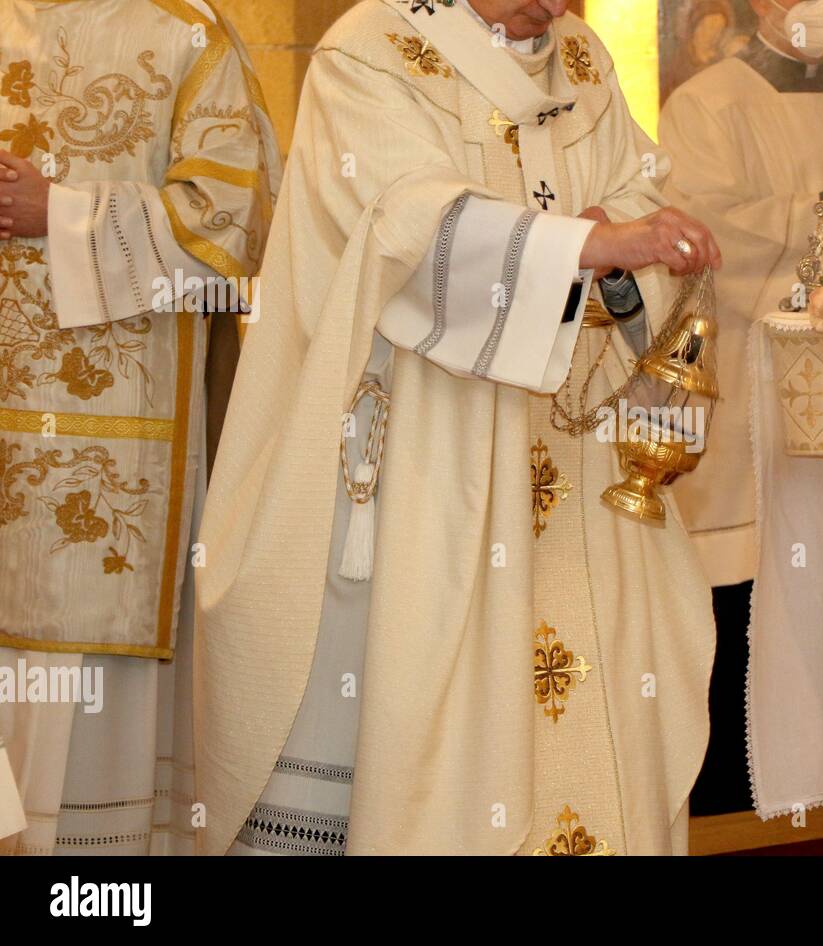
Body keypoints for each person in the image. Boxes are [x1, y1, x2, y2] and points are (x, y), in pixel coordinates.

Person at [195, 0, 722, 856]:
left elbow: (633, 200)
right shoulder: (369, 53)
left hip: (572, 450)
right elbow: (403, 224)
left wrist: (626, 260)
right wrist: (582, 247)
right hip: (428, 444)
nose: (559, 9)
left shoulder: (583, 60)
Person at [0, 0, 278, 855]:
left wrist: (67, 214)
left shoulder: (185, 34)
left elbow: (236, 225)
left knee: (88, 730)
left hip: (116, 452)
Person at [658, 0, 823, 814]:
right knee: (749, 623)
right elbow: (708, 249)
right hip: (749, 405)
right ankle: (740, 804)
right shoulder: (705, 106)